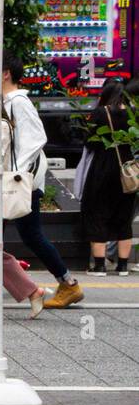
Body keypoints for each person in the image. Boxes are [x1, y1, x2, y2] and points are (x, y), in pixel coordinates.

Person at [0, 58, 83, 308]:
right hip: (11, 180)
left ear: (5, 74)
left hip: (20, 182)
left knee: (26, 234)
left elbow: (35, 140)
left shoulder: (19, 103)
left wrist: (17, 174)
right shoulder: (4, 102)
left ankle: (69, 284)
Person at [81, 79, 134, 276]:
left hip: (102, 168)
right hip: (126, 169)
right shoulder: (132, 113)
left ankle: (100, 265)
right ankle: (122, 266)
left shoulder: (100, 113)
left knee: (98, 214)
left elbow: (89, 142)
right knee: (124, 217)